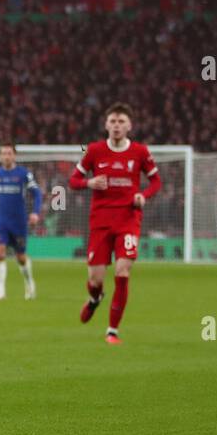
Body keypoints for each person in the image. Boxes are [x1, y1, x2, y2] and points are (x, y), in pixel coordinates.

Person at [69, 103, 161, 345]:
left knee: (122, 272)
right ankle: (95, 299)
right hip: (100, 222)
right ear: (106, 125)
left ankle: (112, 330)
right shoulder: (94, 151)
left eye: (121, 122)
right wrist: (89, 183)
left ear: (129, 125)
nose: (117, 126)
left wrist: (144, 195)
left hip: (128, 220)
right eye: (113, 121)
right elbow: (73, 179)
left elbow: (155, 182)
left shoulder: (140, 152)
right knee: (95, 280)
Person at [0, 143, 40, 300]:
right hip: (1, 222)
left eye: (9, 153)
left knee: (21, 257)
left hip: (19, 222)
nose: (6, 156)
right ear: (0, 156)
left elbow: (37, 194)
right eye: (3, 153)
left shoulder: (24, 174)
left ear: (14, 155)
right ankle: (0, 291)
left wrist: (35, 213)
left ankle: (29, 283)